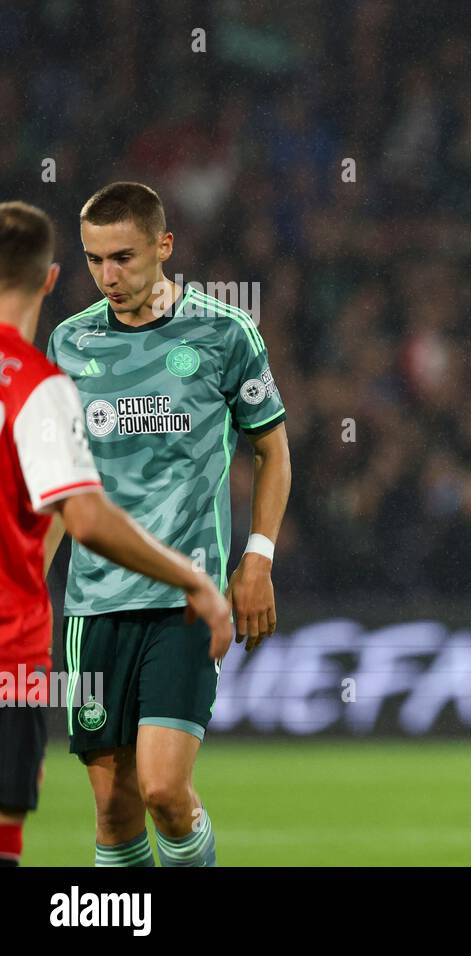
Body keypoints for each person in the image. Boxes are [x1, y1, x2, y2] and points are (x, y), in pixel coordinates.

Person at [45, 182, 291, 867]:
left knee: (163, 789)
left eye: (123, 256)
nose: (108, 276)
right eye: (94, 260)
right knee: (114, 813)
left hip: (186, 601)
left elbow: (272, 450)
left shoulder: (224, 333)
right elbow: (62, 486)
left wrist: (259, 558)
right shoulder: (70, 343)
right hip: (94, 608)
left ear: (164, 246)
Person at [0, 200, 229, 867]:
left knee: (149, 791)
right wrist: (195, 580)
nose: (108, 274)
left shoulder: (217, 334)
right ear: (49, 277)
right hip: (14, 646)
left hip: (81, 624)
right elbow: (87, 519)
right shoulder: (40, 384)